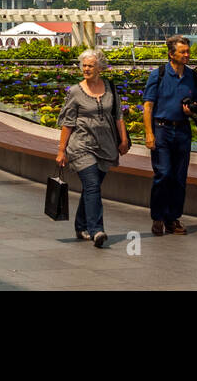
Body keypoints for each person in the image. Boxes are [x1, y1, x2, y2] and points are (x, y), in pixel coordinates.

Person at [56, 48, 130, 248]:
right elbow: (68, 123)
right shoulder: (75, 91)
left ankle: (81, 225)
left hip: (105, 146)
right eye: (84, 66)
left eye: (90, 66)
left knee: (92, 188)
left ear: (100, 68)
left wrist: (123, 140)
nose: (86, 69)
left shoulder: (110, 88)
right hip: (81, 146)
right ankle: (96, 230)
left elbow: (118, 116)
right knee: (92, 186)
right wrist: (61, 150)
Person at [142, 34, 197, 236]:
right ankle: (158, 217)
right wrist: (149, 134)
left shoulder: (193, 76)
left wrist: (191, 111)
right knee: (163, 174)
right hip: (162, 129)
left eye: (188, 51)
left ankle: (173, 218)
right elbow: (148, 106)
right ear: (171, 54)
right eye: (182, 52)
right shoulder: (158, 74)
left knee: (179, 177)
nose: (187, 55)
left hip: (183, 130)